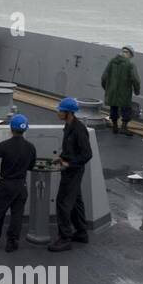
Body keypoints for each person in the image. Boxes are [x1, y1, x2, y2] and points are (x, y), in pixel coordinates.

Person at [0, 114, 36, 252]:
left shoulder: (4, 145)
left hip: (6, 185)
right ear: (25, 129)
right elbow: (31, 165)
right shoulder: (30, 147)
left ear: (11, 128)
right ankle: (12, 242)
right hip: (21, 186)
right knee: (17, 215)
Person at [49, 97, 92, 252]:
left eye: (60, 110)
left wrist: (69, 164)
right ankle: (81, 232)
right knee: (76, 201)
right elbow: (70, 149)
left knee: (63, 202)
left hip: (73, 171)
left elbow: (87, 154)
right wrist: (61, 158)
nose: (58, 112)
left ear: (68, 113)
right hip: (70, 169)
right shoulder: (68, 126)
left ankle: (65, 238)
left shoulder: (79, 130)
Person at [101, 45, 141, 135]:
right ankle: (123, 127)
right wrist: (137, 91)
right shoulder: (130, 64)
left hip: (112, 91)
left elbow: (104, 77)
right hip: (125, 92)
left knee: (113, 107)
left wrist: (107, 88)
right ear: (130, 54)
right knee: (126, 109)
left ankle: (115, 126)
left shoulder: (112, 62)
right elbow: (136, 80)